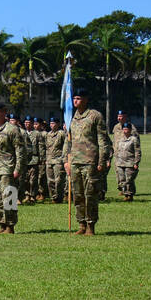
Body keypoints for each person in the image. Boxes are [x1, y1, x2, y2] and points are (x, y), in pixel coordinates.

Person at [63, 89, 112, 235]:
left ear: (85, 99)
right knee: (78, 195)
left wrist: (102, 161)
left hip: (90, 161)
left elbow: (103, 141)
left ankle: (91, 225)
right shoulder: (71, 118)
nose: (75, 101)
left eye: (78, 98)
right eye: (74, 98)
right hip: (75, 161)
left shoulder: (94, 116)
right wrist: (66, 160)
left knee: (90, 194)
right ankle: (81, 224)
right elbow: (68, 140)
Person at [0, 103, 25, 234]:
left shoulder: (12, 129)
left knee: (9, 198)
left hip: (8, 170)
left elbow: (20, 150)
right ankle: (2, 224)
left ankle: (10, 225)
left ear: (3, 113)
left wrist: (18, 169)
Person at [113, 122, 140, 201]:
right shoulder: (120, 140)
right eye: (124, 129)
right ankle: (125, 194)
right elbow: (117, 150)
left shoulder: (134, 139)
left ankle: (130, 195)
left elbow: (137, 152)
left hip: (130, 163)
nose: (125, 131)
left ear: (130, 130)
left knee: (129, 180)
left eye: (127, 129)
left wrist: (136, 162)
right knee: (122, 180)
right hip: (120, 162)